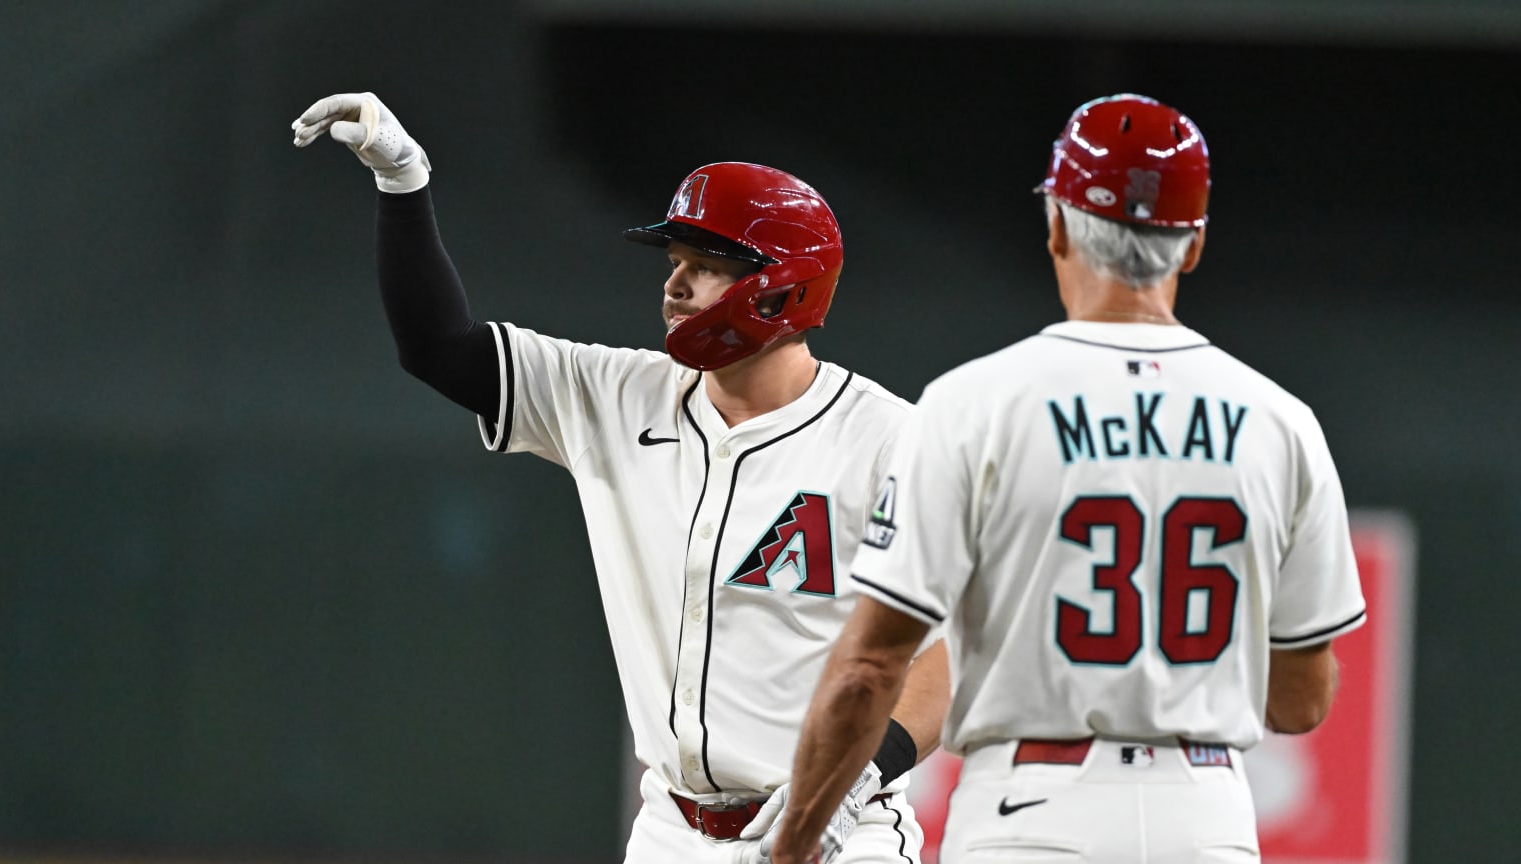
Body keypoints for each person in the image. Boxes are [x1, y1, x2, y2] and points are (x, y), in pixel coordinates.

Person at [290, 92, 949, 864]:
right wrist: (403, 184)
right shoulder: (615, 394)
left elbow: (950, 656)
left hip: (837, 831)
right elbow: (439, 348)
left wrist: (848, 788)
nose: (674, 286)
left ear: (784, 287)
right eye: (676, 263)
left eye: (705, 268)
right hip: (674, 832)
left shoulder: (889, 439)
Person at [769, 93, 1368, 864]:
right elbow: (1301, 700)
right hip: (1205, 816)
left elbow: (868, 669)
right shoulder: (1281, 423)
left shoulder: (974, 403)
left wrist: (796, 842)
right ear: (1192, 245)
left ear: (1056, 225)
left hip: (1033, 811)